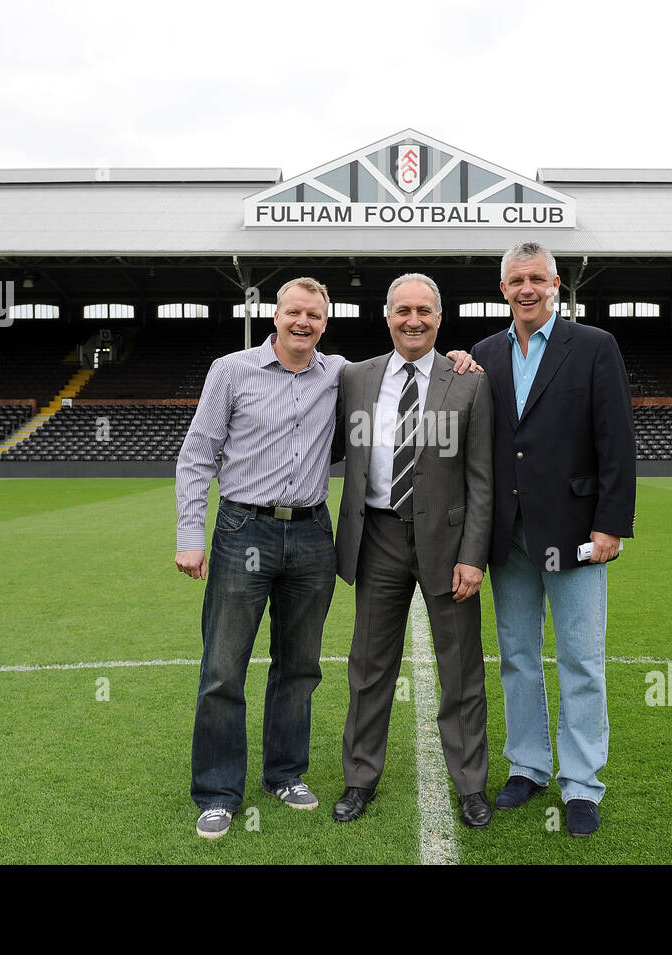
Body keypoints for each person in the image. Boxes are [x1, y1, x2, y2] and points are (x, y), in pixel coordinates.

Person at [175, 276, 480, 840]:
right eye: (294, 313)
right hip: (243, 527)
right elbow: (197, 455)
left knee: (300, 666)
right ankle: (218, 791)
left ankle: (285, 774)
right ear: (276, 315)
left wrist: (458, 355)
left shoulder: (338, 375)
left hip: (313, 532)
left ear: (326, 320)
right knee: (223, 667)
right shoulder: (231, 370)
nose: (303, 323)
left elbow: (417, 371)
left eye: (313, 316)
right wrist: (189, 533)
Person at [470, 241, 637, 838]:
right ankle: (529, 765)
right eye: (516, 279)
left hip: (573, 532)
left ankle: (583, 783)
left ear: (556, 284)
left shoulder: (594, 347)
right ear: (503, 289)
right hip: (508, 535)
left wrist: (611, 523)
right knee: (517, 656)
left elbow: (616, 439)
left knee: (581, 661)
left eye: (537, 278)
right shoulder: (485, 354)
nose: (527, 288)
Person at [330, 273, 494, 829]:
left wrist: (473, 554)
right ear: (387, 316)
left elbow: (482, 478)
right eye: (403, 310)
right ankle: (358, 779)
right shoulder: (354, 377)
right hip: (376, 536)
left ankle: (471, 785)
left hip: (448, 545)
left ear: (440, 318)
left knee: (462, 669)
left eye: (424, 310)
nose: (414, 320)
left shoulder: (469, 381)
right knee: (370, 667)